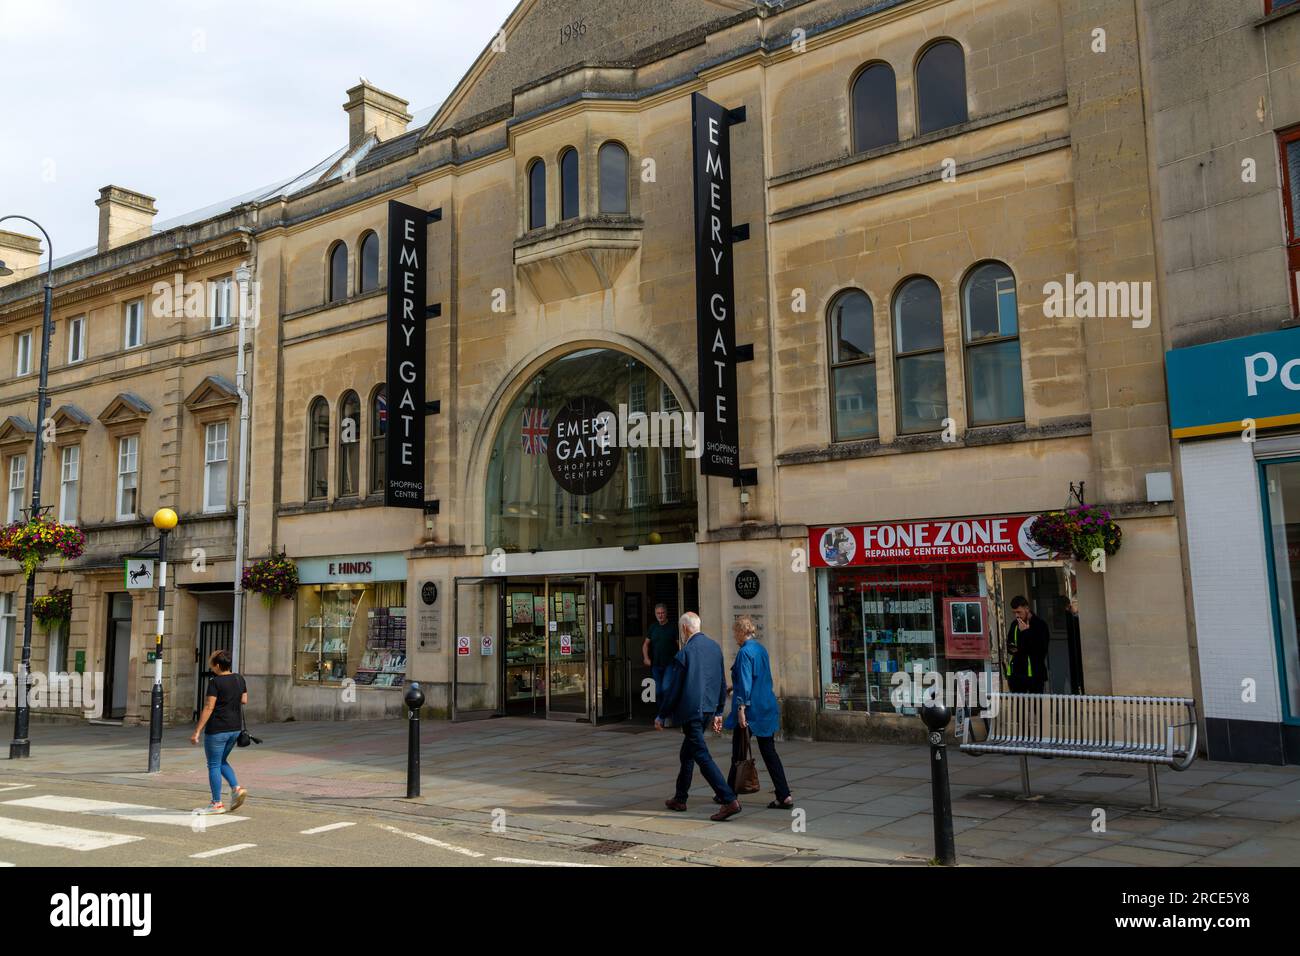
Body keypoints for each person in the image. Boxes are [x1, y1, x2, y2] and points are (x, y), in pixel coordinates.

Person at [655, 612, 740, 821]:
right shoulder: (714, 647)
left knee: (701, 755)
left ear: (684, 629)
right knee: (688, 753)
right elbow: (721, 681)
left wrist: (662, 715)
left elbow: (673, 688)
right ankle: (680, 798)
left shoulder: (685, 653)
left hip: (692, 711)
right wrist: (719, 710)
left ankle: (729, 799)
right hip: (708, 709)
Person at [723, 615, 793, 809]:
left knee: (738, 753)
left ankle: (728, 796)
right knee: (769, 752)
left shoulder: (744, 652)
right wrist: (732, 687)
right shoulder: (761, 649)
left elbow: (746, 682)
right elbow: (758, 677)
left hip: (751, 709)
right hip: (766, 705)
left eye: (734, 633)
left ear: (740, 632)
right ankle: (784, 794)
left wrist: (741, 708)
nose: (734, 637)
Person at [191, 649, 249, 815]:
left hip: (217, 728)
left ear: (217, 665)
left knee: (214, 764)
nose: (211, 667)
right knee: (222, 760)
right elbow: (244, 700)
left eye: (212, 664)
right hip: (235, 728)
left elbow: (209, 707)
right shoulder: (239, 678)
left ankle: (216, 803)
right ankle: (236, 788)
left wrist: (197, 731)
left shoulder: (215, 682)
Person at [1005, 596, 1049, 693]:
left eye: (1019, 612)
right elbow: (1010, 646)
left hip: (1034, 674)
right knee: (1020, 706)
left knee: (1035, 706)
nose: (1017, 615)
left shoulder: (1039, 625)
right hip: (1017, 674)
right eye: (1014, 612)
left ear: (1027, 609)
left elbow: (1040, 650)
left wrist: (1025, 633)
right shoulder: (1014, 624)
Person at [641, 602, 677, 711]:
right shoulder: (653, 627)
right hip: (656, 664)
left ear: (666, 613)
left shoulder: (673, 627)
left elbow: (680, 645)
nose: (660, 615)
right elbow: (645, 644)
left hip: (669, 664)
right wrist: (646, 658)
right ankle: (662, 713)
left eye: (662, 613)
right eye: (658, 613)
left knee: (666, 688)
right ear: (655, 614)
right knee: (657, 691)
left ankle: (666, 713)